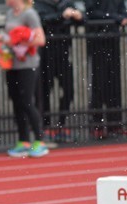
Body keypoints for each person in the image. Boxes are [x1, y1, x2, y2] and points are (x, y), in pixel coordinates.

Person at [0, 0, 49, 158]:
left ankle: (40, 140)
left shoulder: (30, 14)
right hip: (12, 64)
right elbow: (7, 38)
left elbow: (40, 40)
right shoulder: (9, 14)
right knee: (17, 102)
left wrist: (21, 42)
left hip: (27, 65)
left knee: (27, 102)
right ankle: (24, 140)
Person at [35, 0, 83, 143]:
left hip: (63, 54)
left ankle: (62, 124)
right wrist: (61, 16)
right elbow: (43, 20)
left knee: (69, 90)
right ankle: (46, 126)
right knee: (45, 92)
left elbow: (82, 19)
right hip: (46, 55)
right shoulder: (39, 5)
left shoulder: (66, 3)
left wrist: (77, 15)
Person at [84, 0, 127, 139]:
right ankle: (97, 125)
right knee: (99, 84)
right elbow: (91, 12)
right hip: (97, 40)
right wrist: (116, 18)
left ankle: (115, 124)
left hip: (112, 39)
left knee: (114, 83)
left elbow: (122, 10)